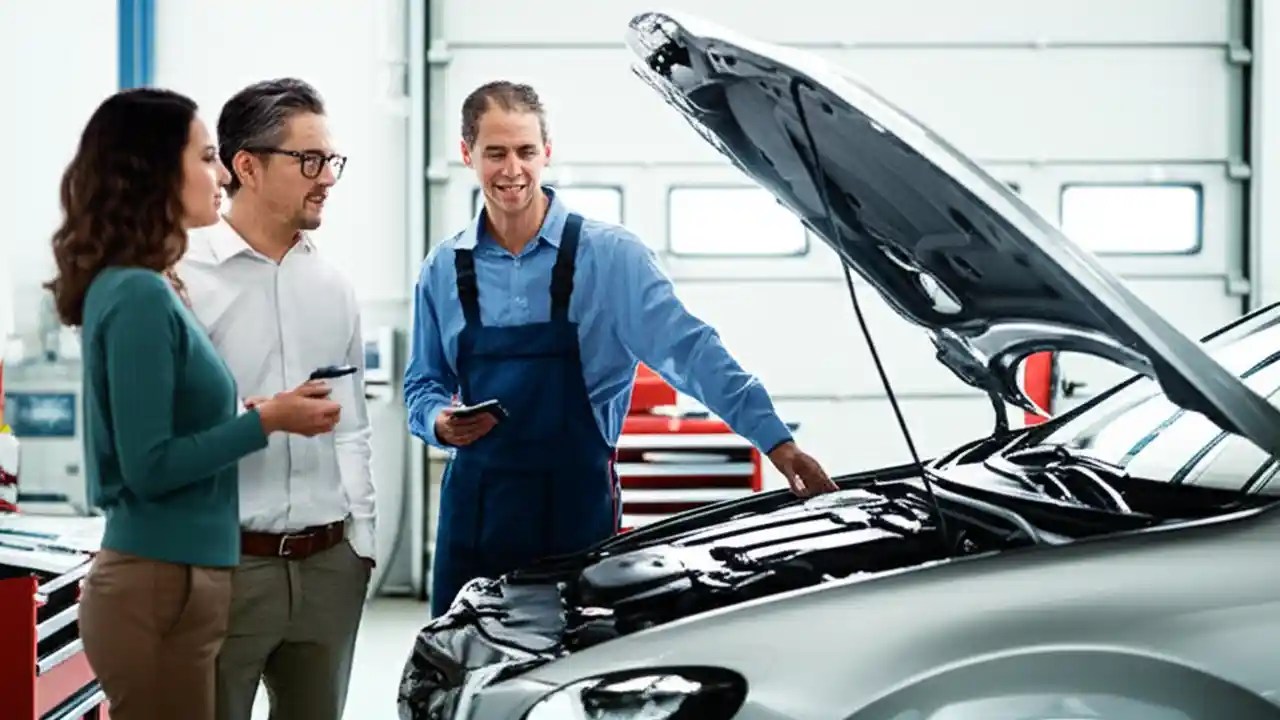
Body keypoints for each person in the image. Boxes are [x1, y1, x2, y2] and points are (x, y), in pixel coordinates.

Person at [405, 80, 838, 618]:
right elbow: (421, 384)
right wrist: (438, 422)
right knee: (457, 673)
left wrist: (776, 442)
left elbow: (692, 352)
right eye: (495, 153)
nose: (512, 169)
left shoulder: (610, 259)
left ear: (548, 151)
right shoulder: (442, 269)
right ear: (467, 154)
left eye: (525, 151)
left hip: (575, 514)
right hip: (475, 515)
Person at [46, 88, 343, 720]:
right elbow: (148, 465)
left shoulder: (150, 285)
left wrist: (254, 415)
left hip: (184, 577)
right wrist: (266, 421)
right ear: (154, 169)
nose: (219, 174)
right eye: (207, 156)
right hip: (159, 581)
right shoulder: (136, 294)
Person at [175, 77, 375, 720]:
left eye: (331, 161)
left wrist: (362, 546)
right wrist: (265, 417)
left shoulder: (334, 285)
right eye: (309, 160)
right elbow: (166, 436)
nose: (327, 178)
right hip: (225, 570)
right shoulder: (182, 281)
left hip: (328, 570)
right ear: (247, 166)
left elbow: (354, 427)